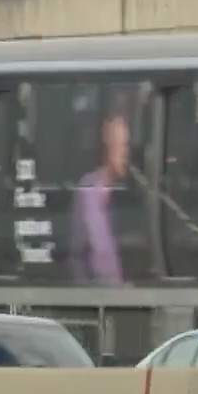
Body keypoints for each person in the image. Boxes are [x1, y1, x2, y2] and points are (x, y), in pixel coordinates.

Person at [68, 110, 130, 285]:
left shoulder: (135, 192)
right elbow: (76, 252)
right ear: (107, 143)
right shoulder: (88, 190)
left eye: (128, 146)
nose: (125, 154)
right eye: (122, 145)